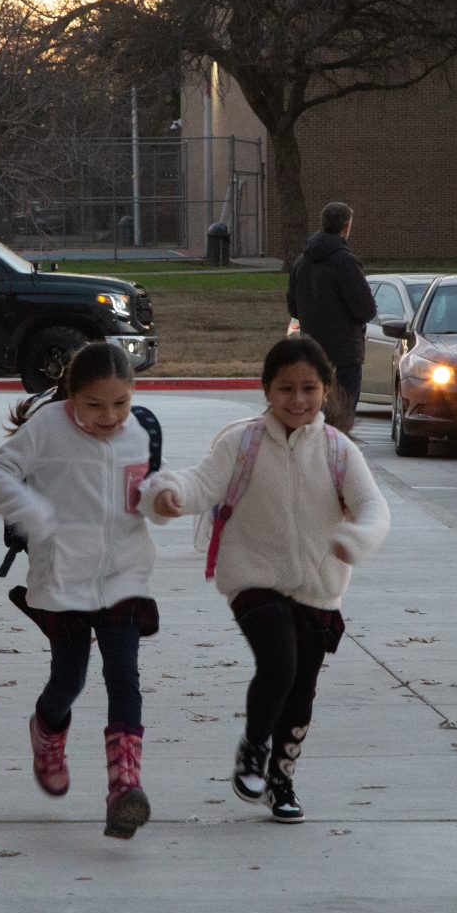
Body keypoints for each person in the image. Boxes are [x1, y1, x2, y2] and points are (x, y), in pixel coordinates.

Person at [142, 337, 389, 823]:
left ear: (326, 390)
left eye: (308, 389)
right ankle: (254, 746)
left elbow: (373, 508)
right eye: (285, 389)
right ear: (266, 390)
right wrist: (167, 493)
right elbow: (200, 483)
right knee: (279, 663)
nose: (297, 400)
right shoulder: (243, 442)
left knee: (301, 690)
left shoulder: (339, 452)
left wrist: (356, 539)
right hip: (252, 576)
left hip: (319, 586)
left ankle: (281, 777)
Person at [0, 343, 161, 840]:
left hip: (124, 575)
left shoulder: (140, 430)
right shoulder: (47, 430)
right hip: (64, 578)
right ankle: (47, 732)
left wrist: (161, 501)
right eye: (95, 404)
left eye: (120, 403)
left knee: (124, 674)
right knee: (70, 680)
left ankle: (125, 787)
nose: (109, 416)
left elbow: (140, 495)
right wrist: (32, 514)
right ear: (71, 396)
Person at [286, 201, 377, 431]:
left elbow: (293, 307)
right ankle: (336, 460)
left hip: (312, 351)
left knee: (312, 415)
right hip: (345, 352)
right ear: (346, 227)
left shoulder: (301, 262)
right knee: (342, 418)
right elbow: (367, 309)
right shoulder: (346, 262)